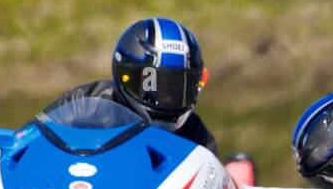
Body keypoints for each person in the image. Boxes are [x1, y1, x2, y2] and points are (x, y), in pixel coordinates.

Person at [57, 17, 218, 156]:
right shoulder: (82, 105)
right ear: (126, 75)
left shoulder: (198, 138)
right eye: (154, 84)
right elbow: (36, 142)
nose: (167, 97)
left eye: (177, 87)